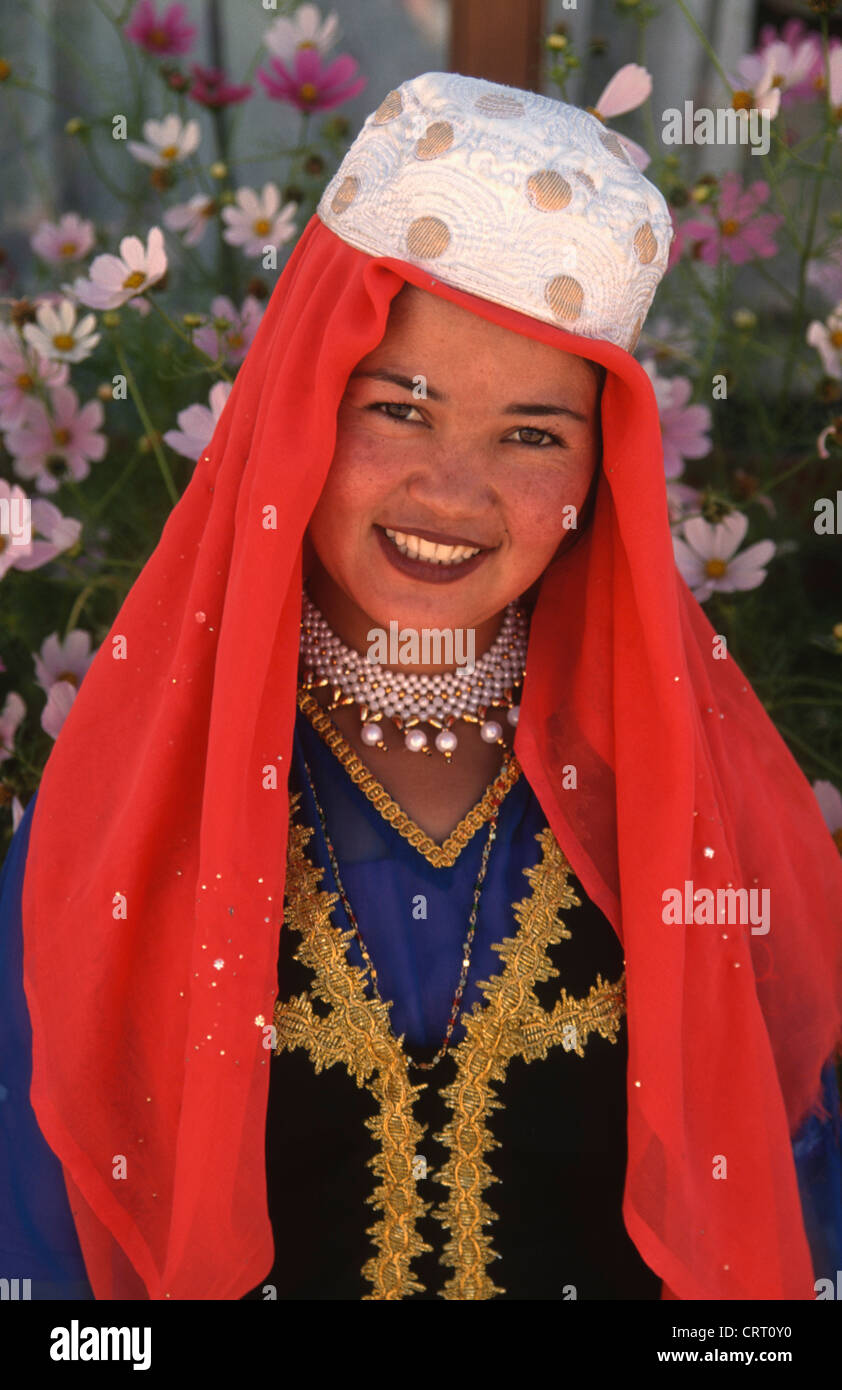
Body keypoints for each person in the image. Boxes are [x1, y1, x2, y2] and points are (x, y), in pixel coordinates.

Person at [1, 71, 841, 1302]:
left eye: (533, 433)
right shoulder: (124, 812)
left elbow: (785, 1229)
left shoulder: (708, 805)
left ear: (602, 476)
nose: (454, 494)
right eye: (399, 408)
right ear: (297, 412)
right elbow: (44, 1252)